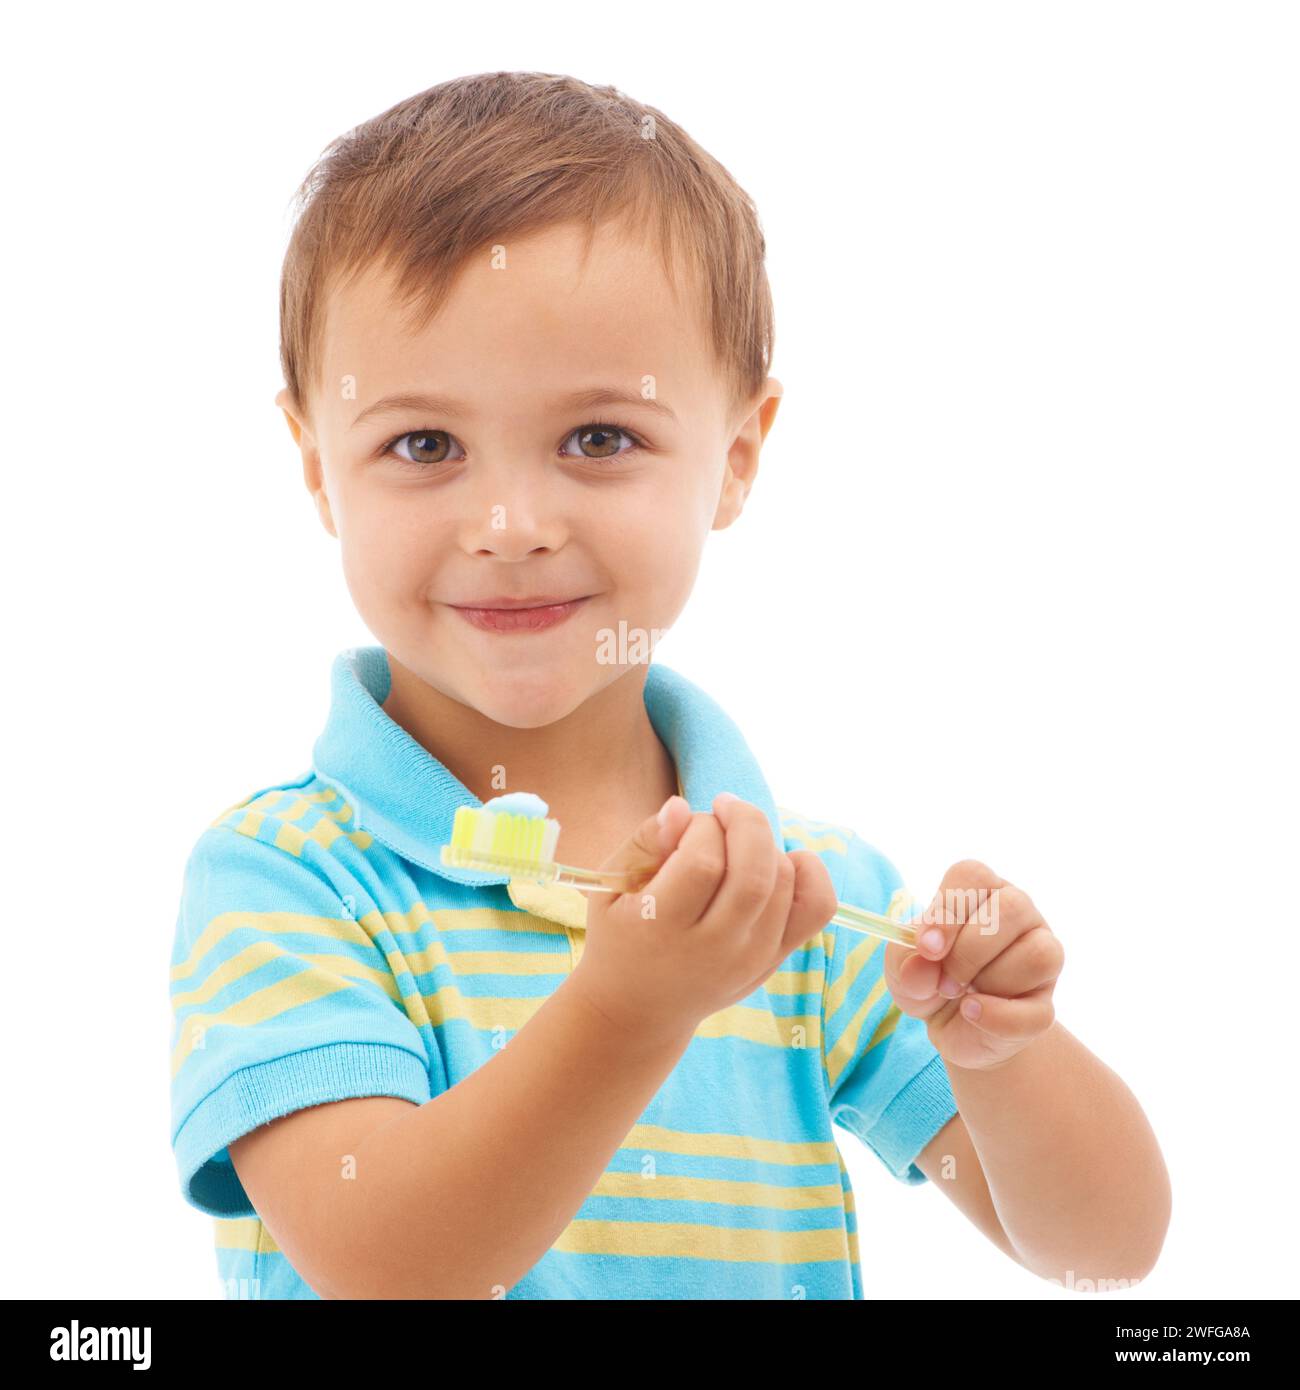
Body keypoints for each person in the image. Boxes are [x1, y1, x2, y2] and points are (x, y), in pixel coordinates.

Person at [168, 70, 1169, 1300]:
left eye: (599, 438)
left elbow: (1098, 1249)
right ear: (319, 469)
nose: (511, 522)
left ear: (736, 457)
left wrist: (1008, 1055)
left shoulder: (804, 896)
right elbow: (387, 1265)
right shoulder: (288, 876)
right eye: (422, 444)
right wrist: (627, 1011)